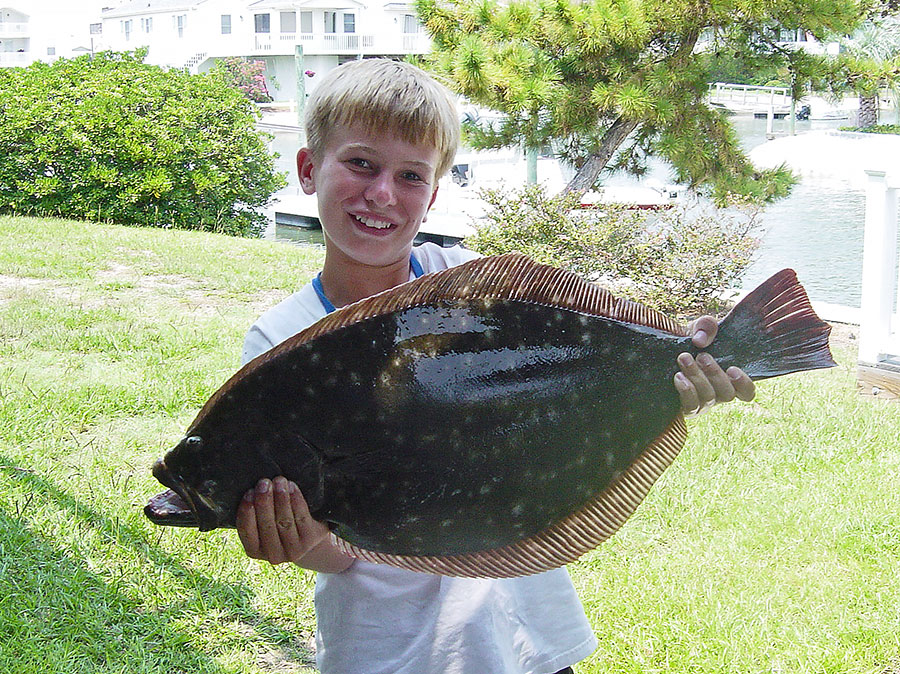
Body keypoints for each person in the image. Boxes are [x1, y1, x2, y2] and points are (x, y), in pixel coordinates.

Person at [236, 58, 755, 674]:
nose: (382, 193)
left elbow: (574, 374)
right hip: (387, 650)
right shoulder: (279, 343)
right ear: (306, 169)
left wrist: (675, 374)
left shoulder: (473, 293)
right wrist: (301, 542)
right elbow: (341, 554)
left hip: (528, 636)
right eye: (360, 164)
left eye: (410, 175)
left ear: (431, 197)